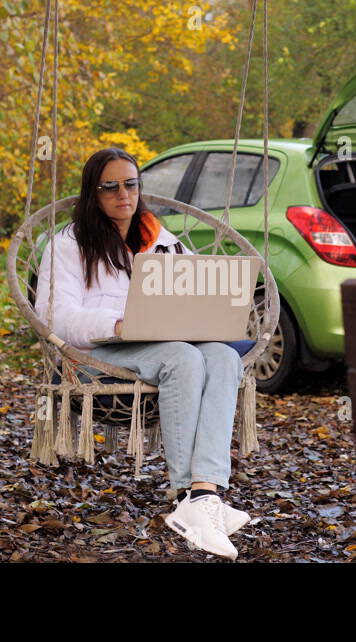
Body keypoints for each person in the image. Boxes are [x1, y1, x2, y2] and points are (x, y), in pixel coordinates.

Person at [34, 147, 251, 560]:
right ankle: (189, 495)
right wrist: (116, 325)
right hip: (97, 355)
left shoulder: (160, 239)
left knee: (223, 357)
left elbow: (194, 293)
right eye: (110, 186)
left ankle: (204, 492)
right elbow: (57, 316)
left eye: (130, 184)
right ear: (92, 193)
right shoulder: (68, 243)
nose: (123, 194)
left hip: (164, 339)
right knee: (183, 360)